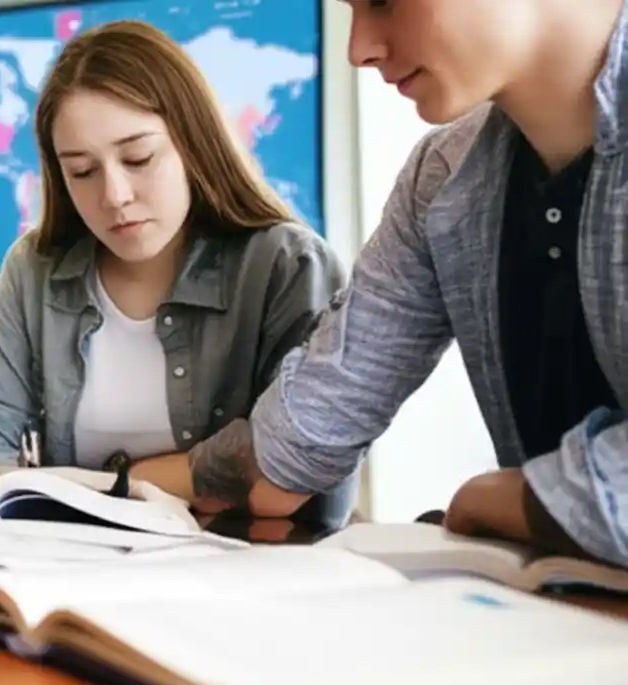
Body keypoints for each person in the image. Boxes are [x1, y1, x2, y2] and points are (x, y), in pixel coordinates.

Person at [189, 0, 628, 568]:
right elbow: (292, 451)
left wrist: (496, 500)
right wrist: (99, 484)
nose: (358, 49)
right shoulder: (443, 176)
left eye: (382, 1)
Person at [0, 20, 350, 522]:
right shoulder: (32, 270)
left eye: (138, 158)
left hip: (246, 575)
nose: (114, 195)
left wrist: (96, 487)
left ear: (193, 141)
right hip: (75, 570)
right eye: (82, 171)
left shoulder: (285, 266)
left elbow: (294, 471)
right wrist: (182, 477)